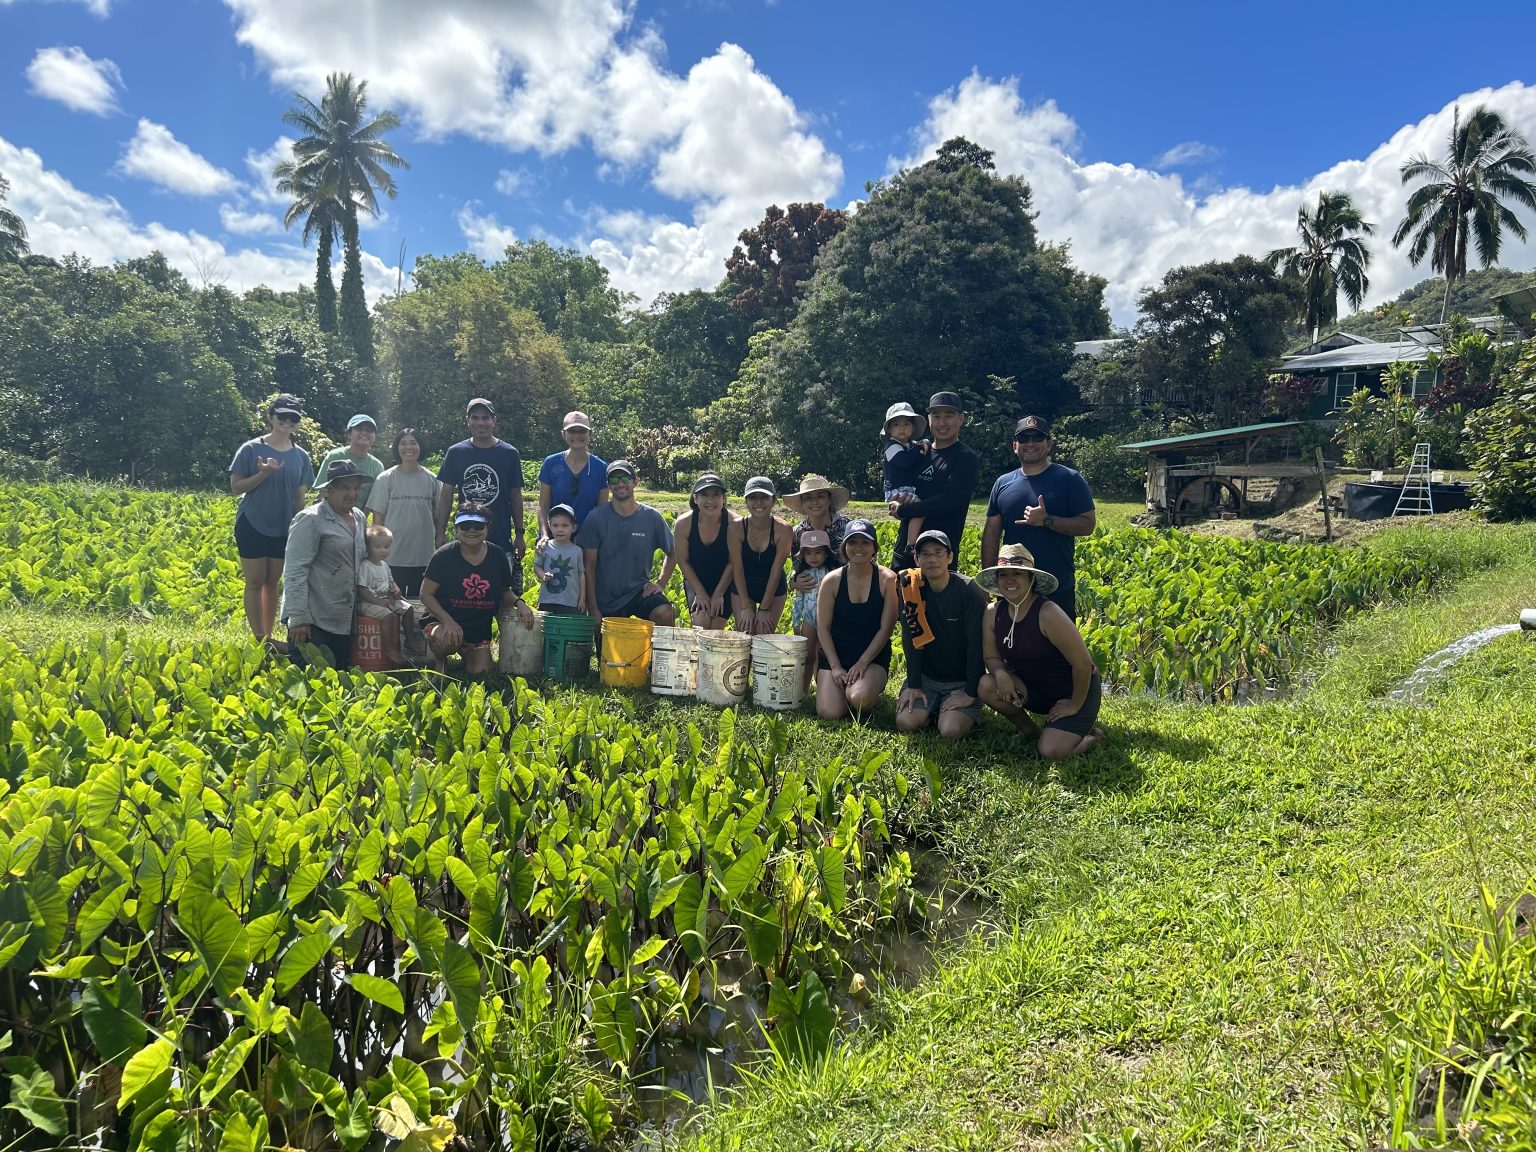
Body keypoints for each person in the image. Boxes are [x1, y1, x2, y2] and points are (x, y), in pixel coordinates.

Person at [977, 544, 1104, 759]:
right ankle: (1029, 729)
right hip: (1034, 688)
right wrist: (1000, 673)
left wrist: (1074, 703)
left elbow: (1082, 664)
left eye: (1017, 574)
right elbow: (991, 656)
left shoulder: (1048, 613)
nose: (1010, 580)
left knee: (1051, 751)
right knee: (987, 685)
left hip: (1073, 689)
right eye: (1003, 574)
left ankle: (1092, 736)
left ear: (1031, 580)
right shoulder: (993, 613)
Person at [980, 415, 1096, 618]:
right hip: (1011, 585)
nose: (1030, 443)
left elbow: (1087, 525)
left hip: (1056, 586)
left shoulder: (1070, 479)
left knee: (1058, 649)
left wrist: (1047, 520)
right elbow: (991, 533)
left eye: (1037, 438)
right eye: (1024, 439)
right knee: (1009, 645)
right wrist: (987, 582)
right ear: (1015, 445)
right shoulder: (1002, 483)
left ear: (1049, 444)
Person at [229, 394, 314, 644]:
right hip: (252, 522)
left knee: (272, 583)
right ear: (271, 417)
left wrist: (298, 529)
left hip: (283, 527)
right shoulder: (251, 448)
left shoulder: (301, 457)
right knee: (254, 581)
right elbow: (236, 487)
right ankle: (259, 638)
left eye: (293, 418)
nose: (287, 422)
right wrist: (263, 474)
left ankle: (269, 637)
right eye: (282, 416)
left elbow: (300, 499)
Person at [895, 529, 989, 741]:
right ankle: (932, 709)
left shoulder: (969, 590)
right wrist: (914, 684)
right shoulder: (909, 586)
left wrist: (970, 692)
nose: (932, 559)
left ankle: (948, 713)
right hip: (927, 678)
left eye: (938, 552)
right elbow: (911, 639)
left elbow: (977, 644)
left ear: (950, 557)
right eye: (925, 554)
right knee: (906, 723)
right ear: (917, 559)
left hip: (961, 681)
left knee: (950, 731)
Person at [420, 504, 534, 677]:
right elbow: (425, 594)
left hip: (478, 629)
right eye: (465, 526)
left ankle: (466, 651)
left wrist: (520, 603)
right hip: (443, 622)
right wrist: (448, 621)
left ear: (487, 528)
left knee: (481, 672)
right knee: (447, 639)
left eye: (478, 526)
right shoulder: (444, 556)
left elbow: (504, 590)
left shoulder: (497, 555)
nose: (471, 530)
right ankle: (440, 660)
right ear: (456, 528)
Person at [279, 459, 367, 670]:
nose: (352, 494)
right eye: (345, 488)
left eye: (356, 488)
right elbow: (294, 570)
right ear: (329, 489)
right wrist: (298, 618)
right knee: (311, 681)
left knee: (339, 677)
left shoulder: (359, 517)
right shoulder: (310, 519)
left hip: (344, 618)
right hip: (314, 619)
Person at [436, 398, 525, 595]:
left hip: (500, 536)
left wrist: (520, 534)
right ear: (468, 420)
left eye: (485, 418)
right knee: (463, 594)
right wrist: (440, 532)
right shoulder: (456, 452)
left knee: (503, 596)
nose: (480, 423)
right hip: (466, 533)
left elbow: (515, 495)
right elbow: (446, 495)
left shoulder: (509, 453)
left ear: (494, 421)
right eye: (475, 418)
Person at [814, 519, 898, 721]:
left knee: (859, 698)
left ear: (874, 548)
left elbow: (886, 629)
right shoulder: (831, 580)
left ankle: (860, 689)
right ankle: (839, 689)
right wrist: (834, 666)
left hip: (871, 657)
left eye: (865, 542)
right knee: (829, 712)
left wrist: (862, 663)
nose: (858, 548)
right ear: (844, 547)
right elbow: (823, 628)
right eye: (852, 542)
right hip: (836, 654)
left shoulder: (888, 580)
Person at [890, 392, 981, 571]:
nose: (942, 422)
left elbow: (949, 501)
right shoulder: (918, 452)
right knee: (899, 598)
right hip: (906, 553)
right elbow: (896, 479)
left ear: (961, 419)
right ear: (928, 419)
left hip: (940, 557)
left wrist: (906, 509)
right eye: (936, 416)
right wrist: (895, 503)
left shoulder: (965, 458)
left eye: (949, 415)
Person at [581, 460, 678, 625]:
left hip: (638, 592)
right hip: (606, 600)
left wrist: (661, 583)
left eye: (625, 479)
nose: (620, 484)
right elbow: (589, 567)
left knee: (664, 613)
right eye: (614, 480)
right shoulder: (595, 518)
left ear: (635, 482)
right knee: (608, 650)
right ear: (608, 486)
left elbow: (673, 552)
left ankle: (660, 651)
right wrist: (593, 609)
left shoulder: (651, 517)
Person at [366, 428, 441, 597]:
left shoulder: (433, 479)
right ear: (397, 448)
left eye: (413, 443)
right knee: (392, 604)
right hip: (392, 556)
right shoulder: (385, 478)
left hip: (423, 556)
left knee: (420, 606)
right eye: (403, 443)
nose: (409, 447)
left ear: (420, 446)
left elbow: (438, 517)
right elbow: (378, 519)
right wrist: (377, 550)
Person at [672, 472, 736, 630]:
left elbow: (734, 561)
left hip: (726, 582)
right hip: (696, 581)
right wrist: (700, 593)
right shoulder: (683, 524)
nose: (710, 501)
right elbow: (683, 561)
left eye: (716, 495)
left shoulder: (735, 523)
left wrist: (719, 593)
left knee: (715, 628)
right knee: (701, 623)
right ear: (695, 498)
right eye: (704, 495)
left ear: (723, 499)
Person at [729, 476, 791, 635]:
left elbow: (776, 571)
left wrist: (764, 608)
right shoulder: (735, 528)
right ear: (746, 501)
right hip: (744, 584)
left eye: (764, 497)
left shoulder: (783, 529)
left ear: (773, 500)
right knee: (745, 633)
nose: (759, 503)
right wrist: (745, 605)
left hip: (773, 585)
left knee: (763, 635)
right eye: (753, 498)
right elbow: (737, 567)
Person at [537, 410, 609, 543]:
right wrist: (544, 535)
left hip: (587, 541)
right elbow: (543, 506)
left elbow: (602, 511)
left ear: (590, 434)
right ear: (563, 434)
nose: (577, 435)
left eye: (582, 431)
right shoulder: (551, 463)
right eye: (572, 431)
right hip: (554, 540)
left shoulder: (600, 468)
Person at [880, 401, 930, 557]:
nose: (902, 428)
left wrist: (923, 445)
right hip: (896, 490)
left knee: (916, 511)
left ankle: (911, 542)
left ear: (913, 428)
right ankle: (910, 544)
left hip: (908, 489)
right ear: (889, 429)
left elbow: (921, 448)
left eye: (907, 424)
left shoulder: (911, 445)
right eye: (896, 424)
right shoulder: (891, 447)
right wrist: (920, 450)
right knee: (920, 509)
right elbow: (905, 462)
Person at [315, 414, 384, 509]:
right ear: (349, 433)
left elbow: (372, 502)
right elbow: (322, 492)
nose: (364, 433)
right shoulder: (335, 456)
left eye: (369, 430)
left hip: (356, 518)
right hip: (327, 513)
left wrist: (359, 521)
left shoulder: (377, 466)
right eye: (359, 429)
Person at [791, 529, 832, 684]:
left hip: (827, 620)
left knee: (824, 655)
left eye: (818, 552)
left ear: (826, 553)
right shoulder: (802, 575)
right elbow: (799, 599)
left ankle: (823, 687)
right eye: (808, 553)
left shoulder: (832, 574)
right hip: (808, 619)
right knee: (808, 655)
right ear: (803, 555)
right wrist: (796, 621)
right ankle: (805, 688)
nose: (813, 557)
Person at [534, 503, 586, 616]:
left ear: (574, 527)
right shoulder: (545, 547)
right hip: (547, 600)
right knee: (546, 631)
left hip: (570, 602)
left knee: (568, 631)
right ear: (549, 525)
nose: (560, 529)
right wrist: (543, 575)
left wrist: (582, 599)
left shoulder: (577, 551)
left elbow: (581, 575)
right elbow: (537, 566)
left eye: (565, 525)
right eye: (555, 525)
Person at [357, 527, 414, 621]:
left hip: (385, 600)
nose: (383, 550)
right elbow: (362, 590)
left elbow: (391, 581)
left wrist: (395, 588)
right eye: (378, 547)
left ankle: (409, 636)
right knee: (389, 616)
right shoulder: (365, 566)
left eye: (386, 547)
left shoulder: (384, 565)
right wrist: (378, 602)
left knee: (408, 609)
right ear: (367, 547)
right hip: (368, 603)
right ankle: (389, 636)